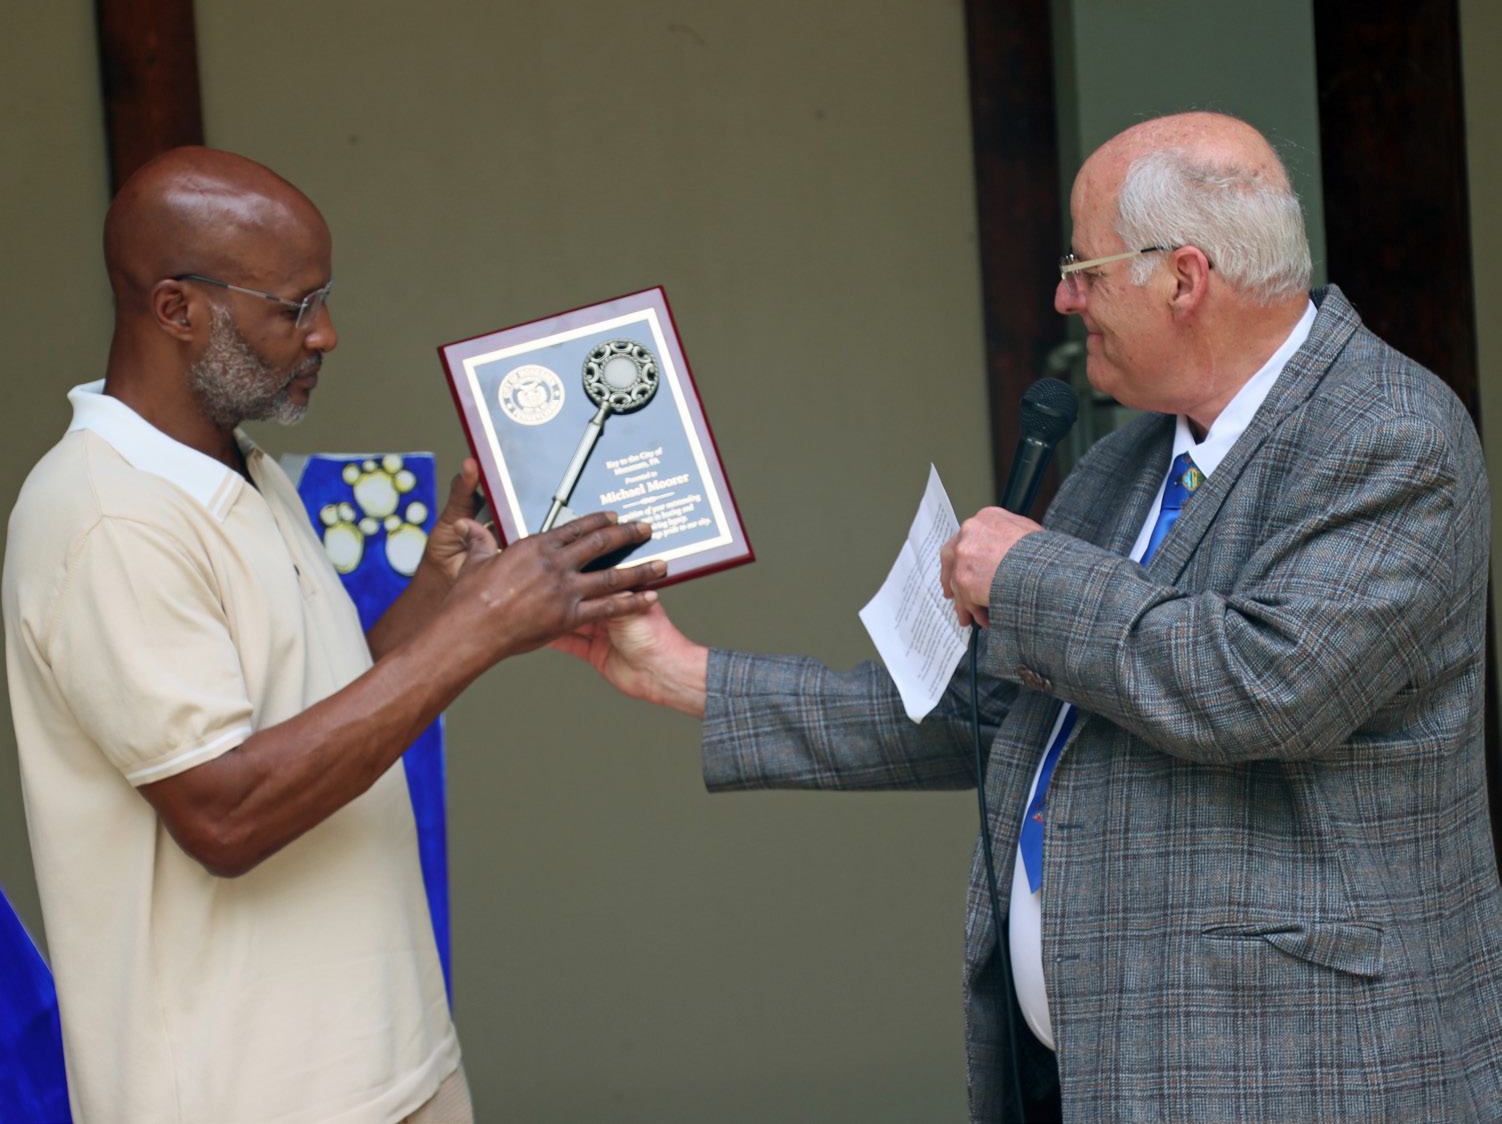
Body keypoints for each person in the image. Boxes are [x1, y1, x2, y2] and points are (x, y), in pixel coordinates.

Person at [559, 112, 1502, 1121]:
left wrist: (1025, 576)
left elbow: (1264, 686)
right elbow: (1002, 713)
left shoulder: (1390, 436)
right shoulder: (1122, 461)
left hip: (1302, 1075)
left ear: (1182, 280)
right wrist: (677, 670)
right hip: (1090, 1072)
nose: (1061, 298)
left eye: (1081, 267)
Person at [1, 147, 664, 1123]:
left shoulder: (235, 470)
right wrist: (474, 631)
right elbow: (224, 814)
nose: (326, 335)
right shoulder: (106, 514)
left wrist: (446, 598)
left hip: (388, 1060)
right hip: (247, 1094)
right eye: (293, 307)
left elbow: (308, 721)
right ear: (177, 309)